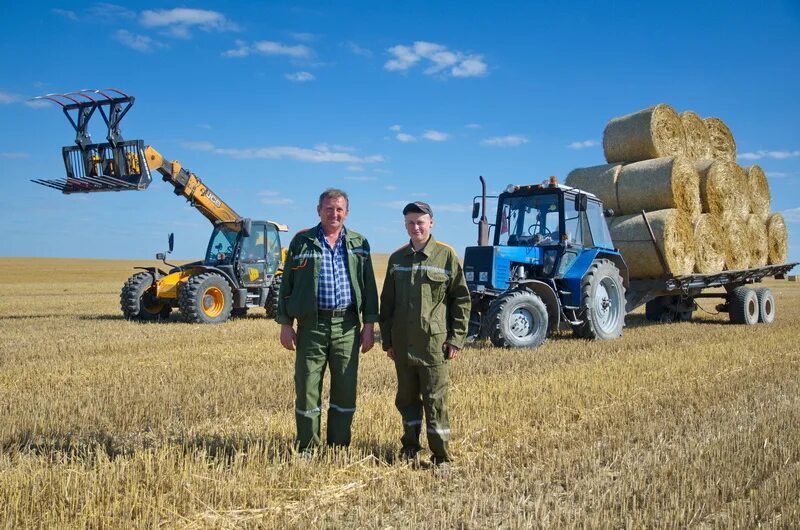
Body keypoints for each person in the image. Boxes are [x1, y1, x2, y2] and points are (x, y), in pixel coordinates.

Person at [277, 189, 379, 454]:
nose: (334, 214)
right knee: (308, 387)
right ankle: (307, 448)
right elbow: (286, 285)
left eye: (339, 209)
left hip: (347, 326)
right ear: (318, 210)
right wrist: (286, 323)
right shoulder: (302, 241)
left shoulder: (359, 243)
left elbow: (369, 287)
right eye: (329, 208)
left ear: (347, 212)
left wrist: (369, 325)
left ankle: (338, 447)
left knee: (345, 387)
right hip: (312, 325)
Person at [379, 201, 471, 469]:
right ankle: (409, 447)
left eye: (420, 222)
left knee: (436, 400)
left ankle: (441, 456)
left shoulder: (446, 256)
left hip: (434, 346)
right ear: (405, 225)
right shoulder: (397, 259)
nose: (415, 227)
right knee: (406, 399)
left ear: (431, 223)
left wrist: (456, 339)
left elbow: (461, 300)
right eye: (410, 222)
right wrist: (388, 340)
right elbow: (388, 304)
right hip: (403, 344)